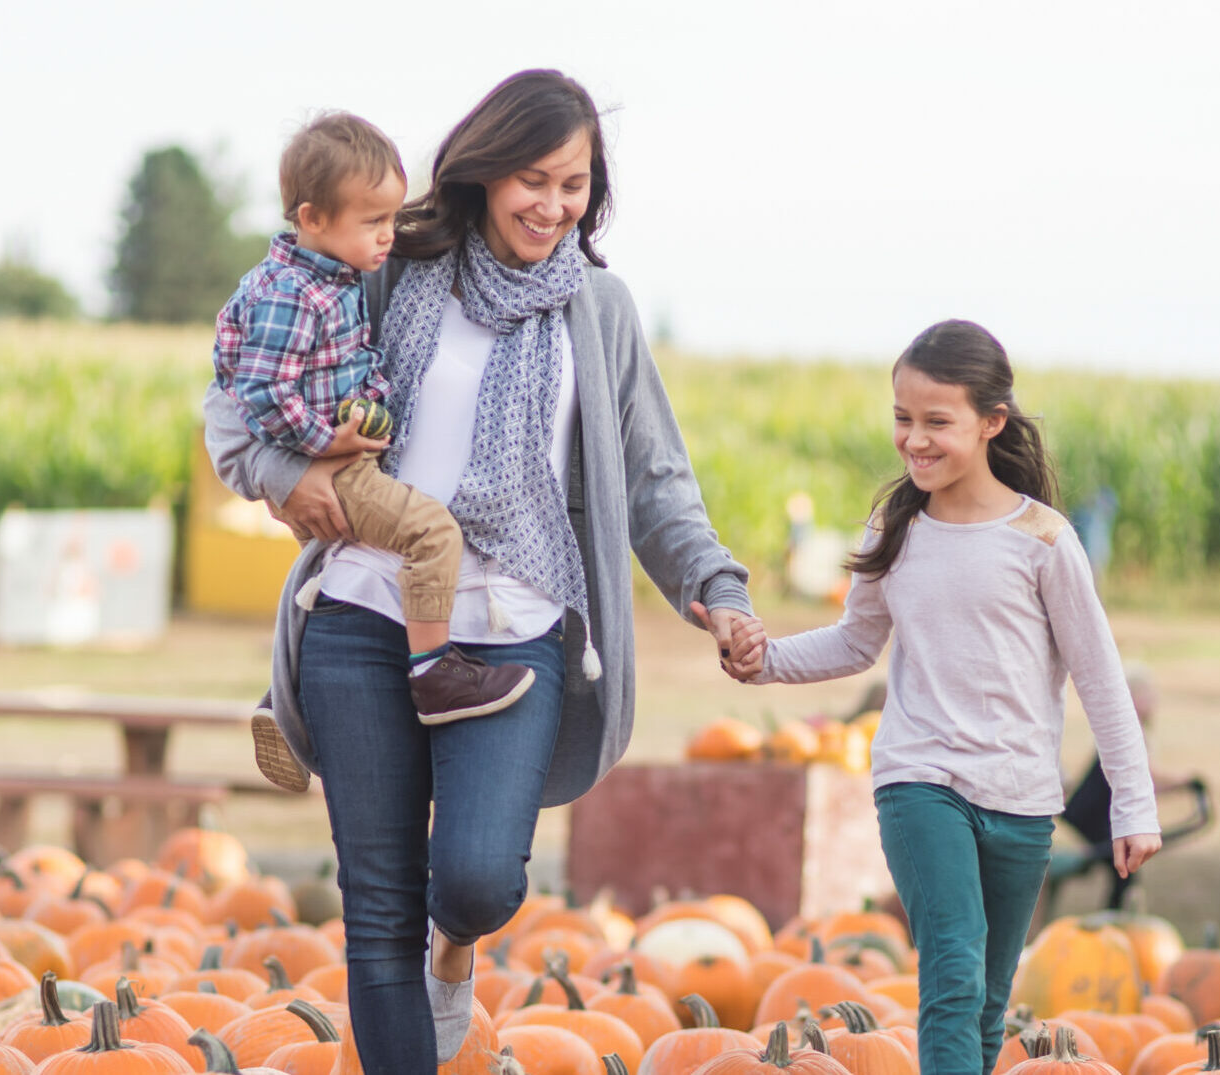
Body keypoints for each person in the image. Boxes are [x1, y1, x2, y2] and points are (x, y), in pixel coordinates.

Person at [203, 70, 760, 1072]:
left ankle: (453, 949)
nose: (551, 204)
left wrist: (716, 590)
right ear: (484, 171)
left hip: (515, 629)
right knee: (376, 910)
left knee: (471, 882)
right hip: (365, 612)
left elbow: (654, 478)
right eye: (531, 180)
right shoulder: (392, 264)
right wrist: (287, 478)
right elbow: (240, 390)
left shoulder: (597, 310)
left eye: (574, 184)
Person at [720, 320, 1159, 1075]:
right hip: (920, 781)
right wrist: (764, 662)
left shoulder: (1045, 541)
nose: (913, 439)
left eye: (936, 422)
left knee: (988, 998)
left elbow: (1100, 678)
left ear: (992, 423)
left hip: (1020, 798)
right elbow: (856, 641)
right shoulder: (896, 527)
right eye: (902, 417)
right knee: (952, 969)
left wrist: (1134, 802)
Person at [215, 111, 535, 758]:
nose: (388, 237)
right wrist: (321, 444)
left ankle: (286, 698)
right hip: (338, 464)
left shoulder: (331, 275)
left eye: (392, 218)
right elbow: (258, 390)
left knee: (320, 568)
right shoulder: (295, 295)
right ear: (311, 218)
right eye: (373, 222)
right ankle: (434, 672)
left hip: (343, 452)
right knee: (431, 532)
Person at [1058, 663, 1192, 910]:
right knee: (1124, 865)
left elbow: (1142, 786)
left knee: (1125, 868)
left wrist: (1178, 790)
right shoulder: (1129, 734)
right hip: (1088, 814)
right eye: (1146, 695)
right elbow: (1147, 774)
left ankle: (1116, 915)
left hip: (1094, 815)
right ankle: (1115, 919)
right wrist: (1184, 781)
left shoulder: (1136, 734)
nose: (1153, 701)